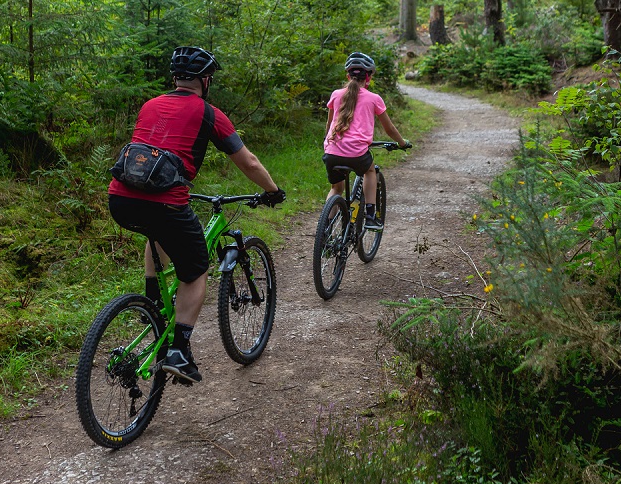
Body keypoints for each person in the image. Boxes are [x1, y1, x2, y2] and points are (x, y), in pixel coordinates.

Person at [108, 46, 285, 384]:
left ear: (175, 78)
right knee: (196, 269)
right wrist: (273, 191)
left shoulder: (150, 105)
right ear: (205, 80)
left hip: (121, 199)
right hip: (166, 202)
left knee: (155, 230)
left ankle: (152, 300)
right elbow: (248, 162)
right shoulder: (209, 113)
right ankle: (179, 350)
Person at [322, 52, 409, 229]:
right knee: (370, 171)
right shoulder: (374, 98)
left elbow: (329, 124)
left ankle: (325, 228)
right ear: (368, 77)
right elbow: (389, 129)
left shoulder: (336, 94)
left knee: (336, 189)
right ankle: (370, 215)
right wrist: (402, 142)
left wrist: (329, 143)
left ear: (348, 76)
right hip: (357, 154)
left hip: (331, 152)